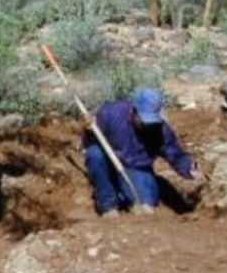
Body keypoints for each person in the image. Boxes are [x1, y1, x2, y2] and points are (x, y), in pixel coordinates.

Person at [83, 87, 197, 216]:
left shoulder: (159, 129)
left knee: (146, 207)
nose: (148, 126)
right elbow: (89, 143)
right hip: (109, 162)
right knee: (94, 154)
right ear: (133, 111)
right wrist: (89, 129)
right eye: (144, 121)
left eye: (151, 121)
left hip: (136, 168)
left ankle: (126, 196)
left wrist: (189, 167)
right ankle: (108, 205)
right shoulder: (110, 113)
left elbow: (174, 153)